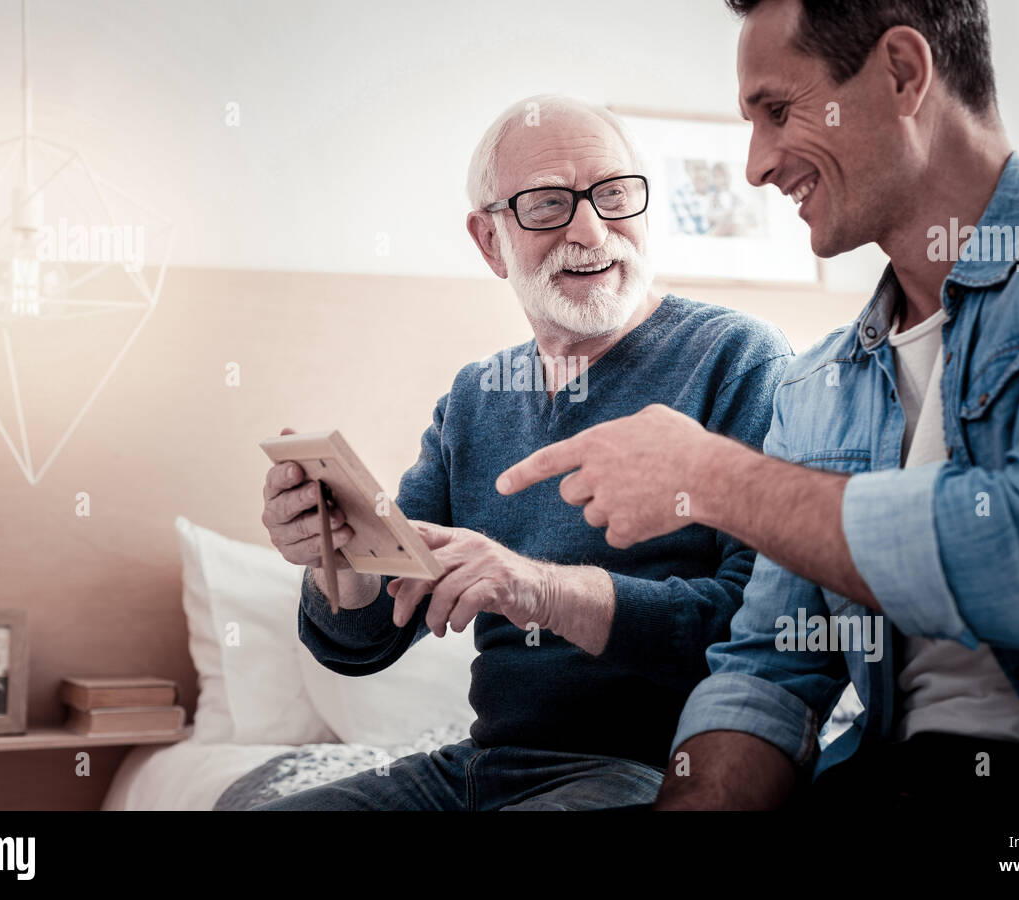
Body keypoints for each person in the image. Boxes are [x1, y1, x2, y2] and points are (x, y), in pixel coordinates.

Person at [496, 0, 1019, 810]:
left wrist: (705, 474)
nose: (754, 164)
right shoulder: (817, 384)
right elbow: (768, 674)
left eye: (777, 110)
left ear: (902, 73)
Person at [255, 94, 794, 810]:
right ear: (488, 240)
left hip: (650, 769)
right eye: (547, 205)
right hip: (487, 765)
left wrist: (536, 588)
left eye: (613, 195)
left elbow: (759, 628)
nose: (591, 231)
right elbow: (361, 642)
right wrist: (341, 562)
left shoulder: (738, 359)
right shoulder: (475, 398)